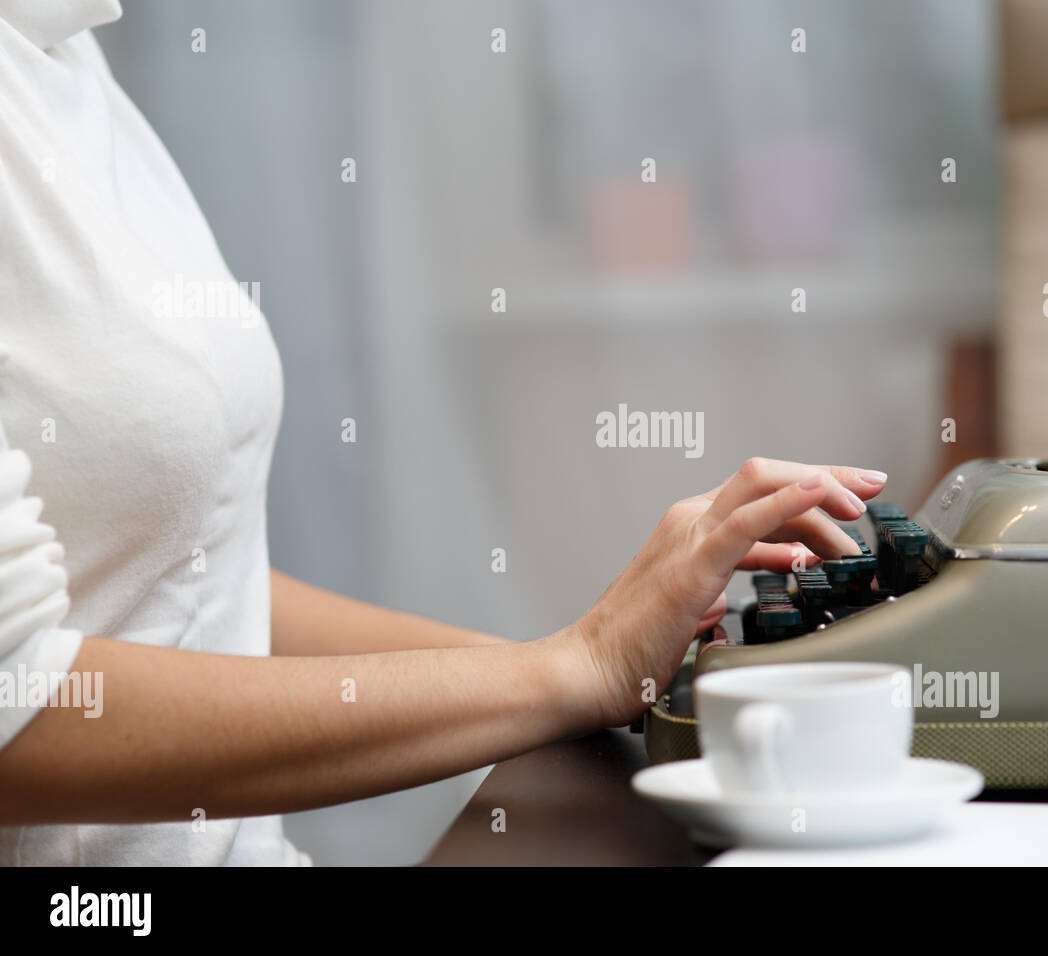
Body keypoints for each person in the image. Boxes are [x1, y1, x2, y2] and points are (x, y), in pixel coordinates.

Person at [0, 0, 887, 864]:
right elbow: (19, 716)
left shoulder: (65, 52)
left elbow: (182, 588)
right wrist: (573, 667)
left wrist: (580, 666)